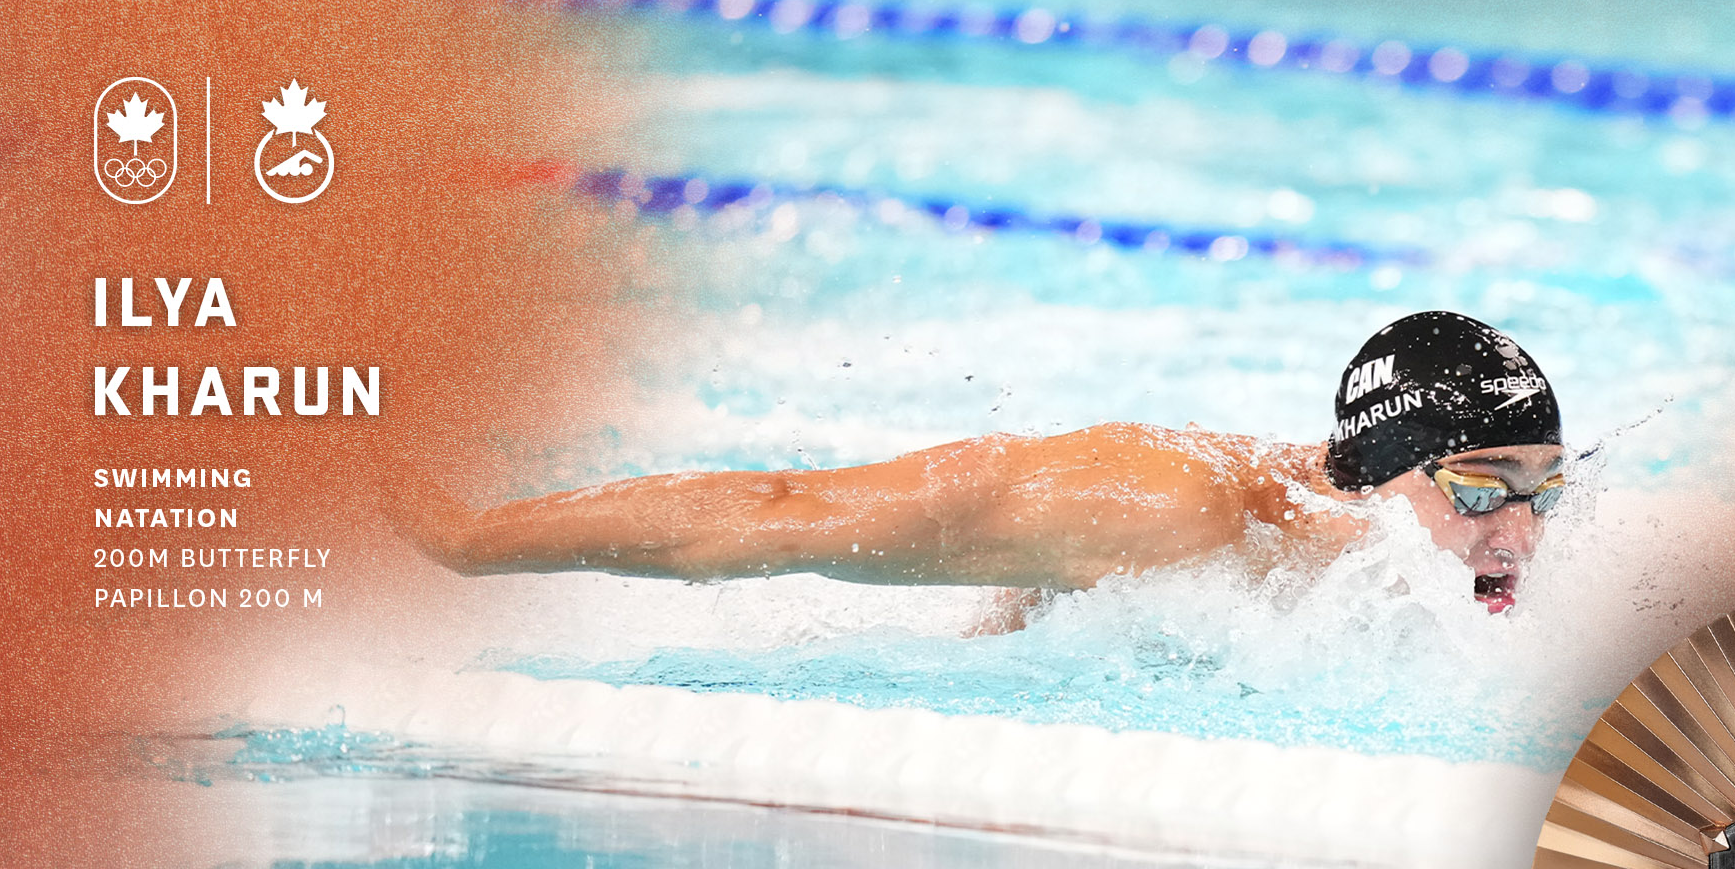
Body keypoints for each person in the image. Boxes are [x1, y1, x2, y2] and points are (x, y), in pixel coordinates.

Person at [403, 311, 1565, 613]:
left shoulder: (1466, 567)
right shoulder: (1164, 504)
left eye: (1540, 492)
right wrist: (459, 540)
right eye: (1478, 489)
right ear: (1376, 473)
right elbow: (786, 511)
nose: (1516, 534)